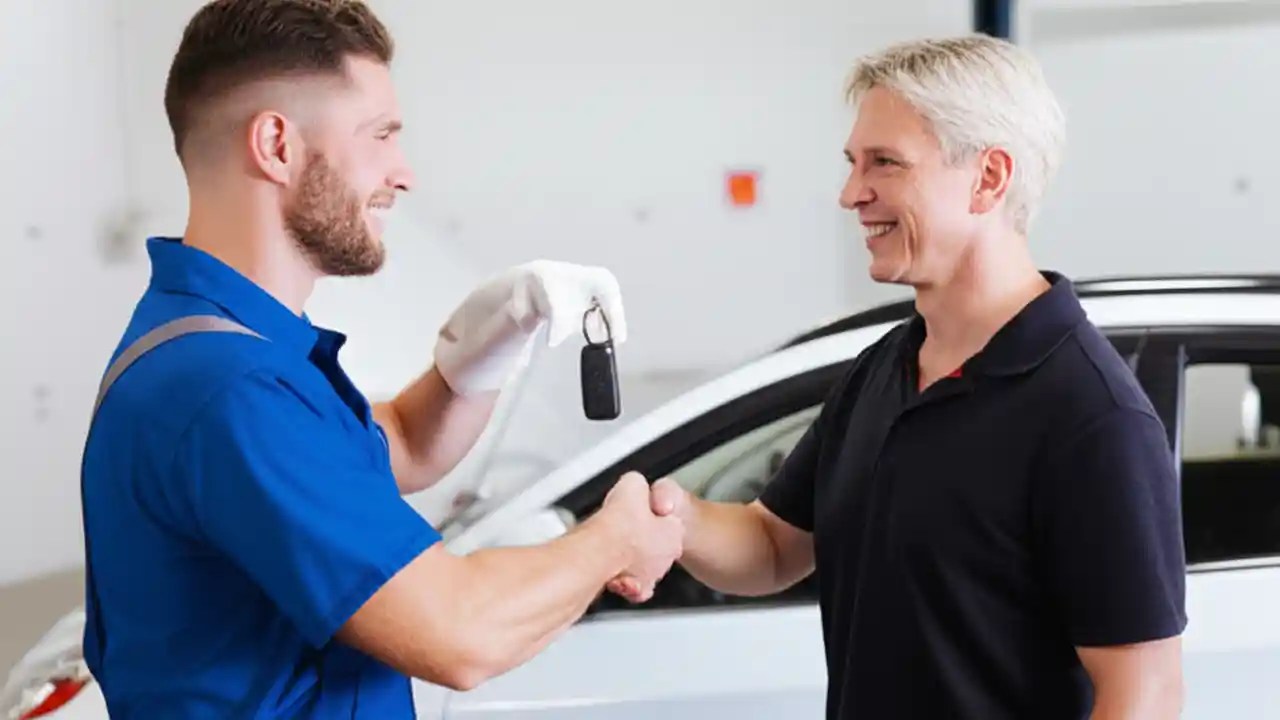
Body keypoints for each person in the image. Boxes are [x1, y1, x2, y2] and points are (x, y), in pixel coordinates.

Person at [79, 1, 683, 717]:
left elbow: (394, 448)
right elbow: (463, 634)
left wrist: (479, 354)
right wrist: (613, 538)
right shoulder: (232, 391)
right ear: (276, 145)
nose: (403, 174)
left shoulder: (211, 344)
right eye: (381, 135)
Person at [610, 34, 1188, 719]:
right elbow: (772, 546)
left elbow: (1144, 695)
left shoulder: (1089, 416)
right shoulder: (883, 368)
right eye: (854, 164)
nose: (852, 193)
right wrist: (671, 517)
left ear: (989, 178)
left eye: (885, 163)